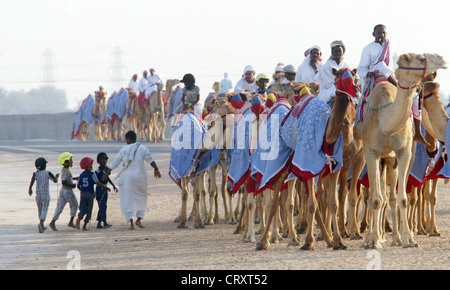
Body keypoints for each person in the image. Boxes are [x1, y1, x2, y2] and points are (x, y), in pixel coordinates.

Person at [106, 131, 161, 229]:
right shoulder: (143, 148)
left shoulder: (124, 149)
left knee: (127, 198)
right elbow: (150, 160)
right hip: (140, 176)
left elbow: (116, 162)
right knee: (142, 196)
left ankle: (131, 222)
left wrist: (107, 172)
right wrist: (156, 169)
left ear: (127, 139)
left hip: (128, 177)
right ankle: (139, 219)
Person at [358, 24, 398, 95]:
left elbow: (396, 64)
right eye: (379, 33)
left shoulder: (391, 46)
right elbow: (362, 69)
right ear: (373, 34)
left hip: (391, 77)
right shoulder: (367, 49)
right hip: (374, 76)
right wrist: (368, 73)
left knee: (414, 97)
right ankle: (397, 86)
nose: (382, 35)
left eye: (384, 33)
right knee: (381, 65)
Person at [76, 157, 110, 231]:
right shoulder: (92, 174)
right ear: (88, 166)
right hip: (90, 193)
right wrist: (105, 187)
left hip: (83, 193)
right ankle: (84, 226)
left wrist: (82, 190)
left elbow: (78, 185)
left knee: (83, 208)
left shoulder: (81, 174)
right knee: (89, 210)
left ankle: (79, 217)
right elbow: (97, 182)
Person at [49, 152, 79, 231]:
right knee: (75, 205)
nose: (72, 161)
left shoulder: (64, 169)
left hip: (62, 191)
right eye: (70, 160)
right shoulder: (67, 171)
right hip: (68, 191)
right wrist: (72, 185)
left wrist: (75, 178)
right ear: (66, 162)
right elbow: (64, 182)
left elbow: (66, 179)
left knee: (59, 207)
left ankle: (53, 222)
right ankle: (71, 222)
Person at [28, 157, 59, 233]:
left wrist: (30, 189)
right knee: (45, 209)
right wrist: (57, 177)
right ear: (44, 165)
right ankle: (41, 223)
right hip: (45, 193)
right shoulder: (47, 172)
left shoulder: (35, 173)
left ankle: (41, 226)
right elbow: (55, 180)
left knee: (40, 209)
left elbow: (32, 180)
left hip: (38, 194)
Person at [315, 40, 350, 104]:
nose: (338, 53)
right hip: (329, 90)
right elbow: (329, 84)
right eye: (336, 51)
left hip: (344, 88)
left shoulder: (346, 66)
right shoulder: (327, 66)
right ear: (332, 52)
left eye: (340, 51)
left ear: (343, 52)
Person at [95, 152, 118, 229]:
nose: (104, 161)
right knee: (103, 206)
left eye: (105, 159)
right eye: (102, 159)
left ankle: (99, 223)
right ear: (98, 160)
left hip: (105, 189)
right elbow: (99, 180)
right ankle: (104, 222)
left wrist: (113, 185)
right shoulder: (97, 171)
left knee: (103, 206)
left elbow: (107, 178)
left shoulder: (107, 169)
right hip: (100, 190)